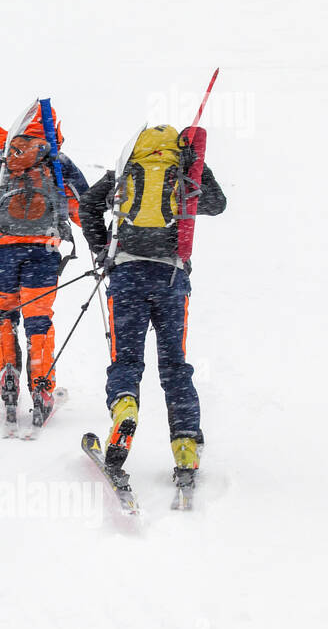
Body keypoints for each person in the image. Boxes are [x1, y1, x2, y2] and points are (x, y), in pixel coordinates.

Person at [78, 124, 227, 492]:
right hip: (171, 279)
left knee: (126, 361)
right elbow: (217, 204)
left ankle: (126, 406)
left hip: (126, 275)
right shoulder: (183, 171)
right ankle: (186, 445)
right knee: (175, 365)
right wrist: (198, 166)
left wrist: (102, 250)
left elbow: (87, 205)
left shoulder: (126, 168)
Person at [0, 102, 89, 426]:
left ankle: (8, 375)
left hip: (1, 251)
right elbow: (82, 207)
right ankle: (42, 387)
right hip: (43, 250)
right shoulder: (58, 162)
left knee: (2, 313)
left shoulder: (3, 158)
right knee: (38, 319)